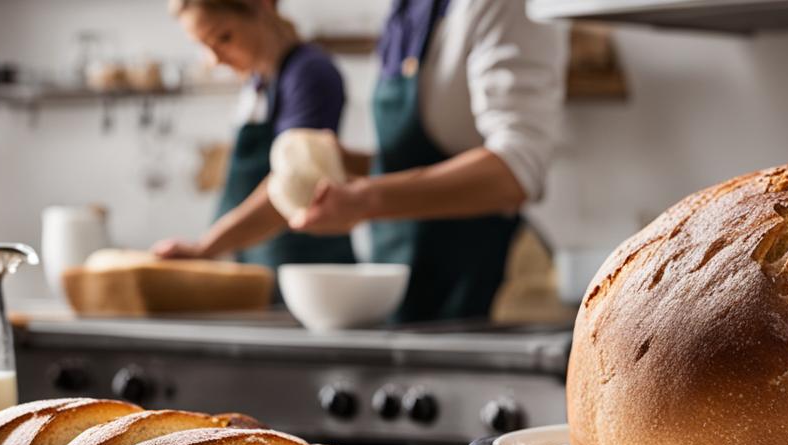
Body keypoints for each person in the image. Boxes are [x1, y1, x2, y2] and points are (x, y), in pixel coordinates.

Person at [168, 0, 567, 323]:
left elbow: (518, 168)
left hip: (487, 287)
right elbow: (407, 161)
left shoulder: (501, 6)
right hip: (403, 286)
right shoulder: (402, 16)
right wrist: (345, 164)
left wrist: (366, 199)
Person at [152, 0, 356, 268]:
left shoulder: (309, 73)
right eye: (203, 46)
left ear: (263, 6)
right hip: (259, 258)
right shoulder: (258, 84)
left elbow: (297, 178)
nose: (215, 60)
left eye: (223, 38)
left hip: (305, 263)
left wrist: (205, 247)